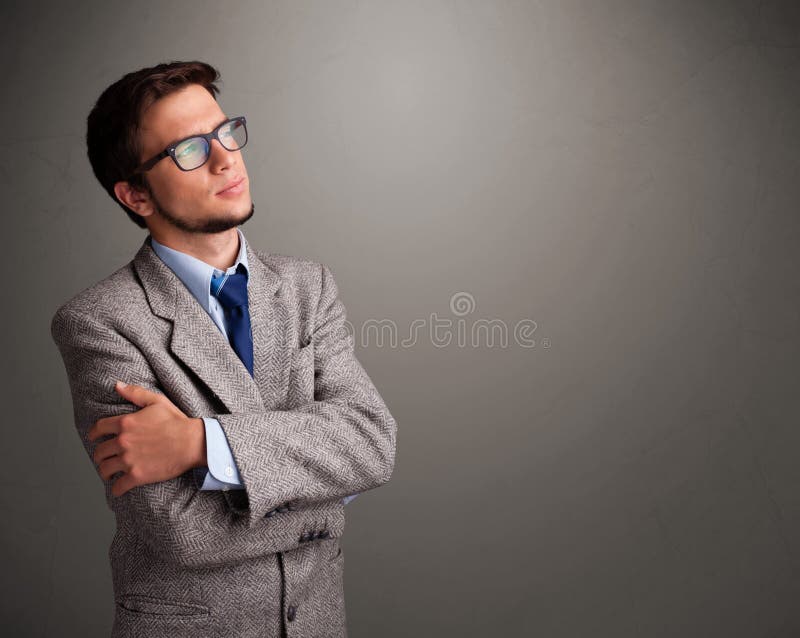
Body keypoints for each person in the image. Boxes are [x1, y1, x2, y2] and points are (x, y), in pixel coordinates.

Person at [49, 60, 397, 638]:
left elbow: (371, 441)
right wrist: (326, 500)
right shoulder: (98, 322)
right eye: (188, 149)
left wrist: (199, 442)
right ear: (136, 195)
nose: (224, 157)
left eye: (224, 131)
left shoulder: (308, 287)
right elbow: (181, 532)